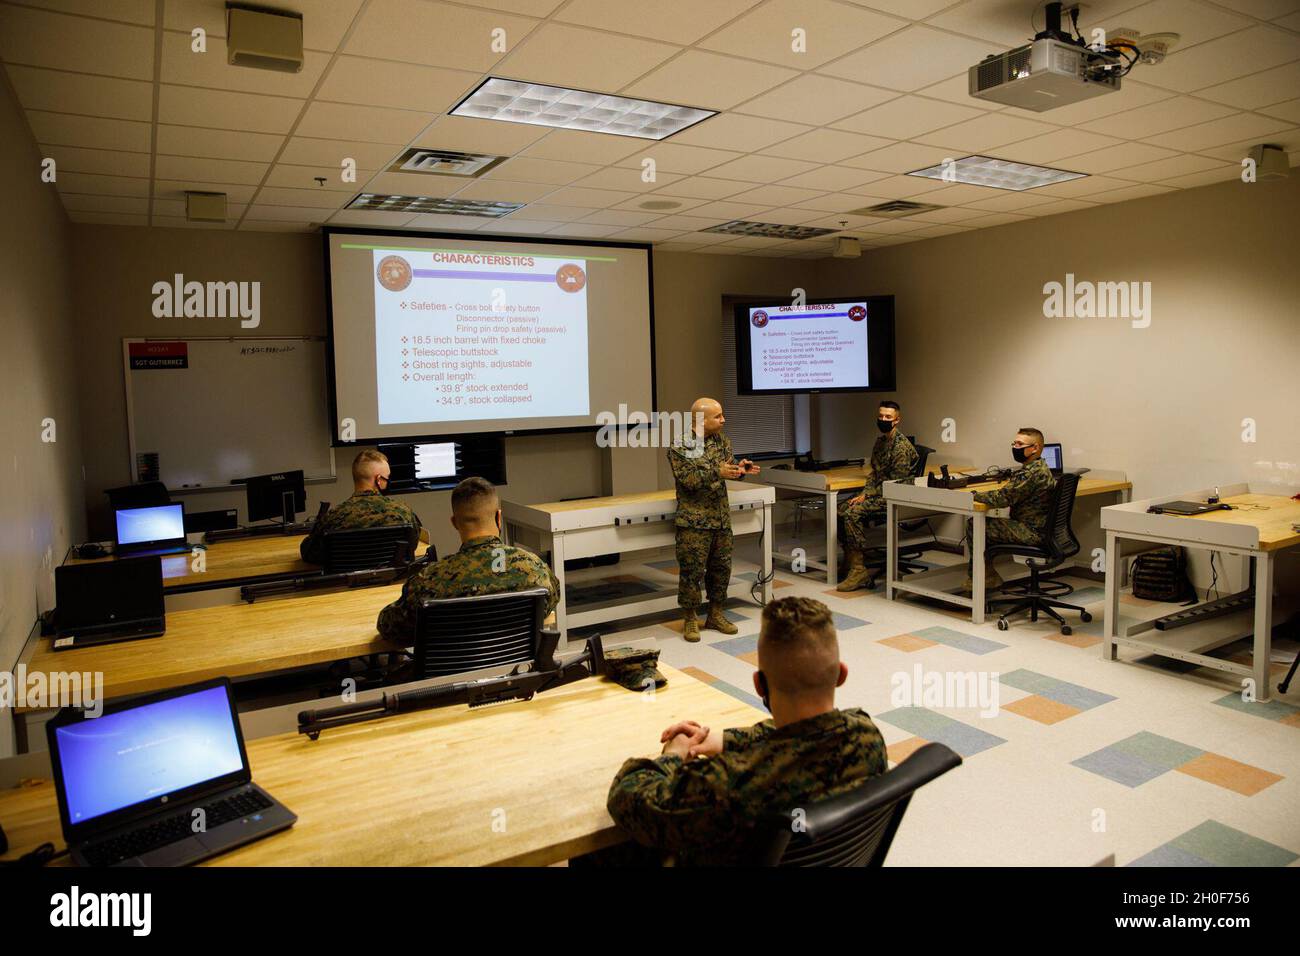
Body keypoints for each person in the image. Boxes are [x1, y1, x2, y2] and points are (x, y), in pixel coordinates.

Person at [604, 597, 887, 866]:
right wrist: (726, 740)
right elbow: (800, 733)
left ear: (759, 685)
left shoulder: (725, 783)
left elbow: (628, 798)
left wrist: (674, 755)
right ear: (841, 674)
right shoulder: (868, 737)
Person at [376, 476, 558, 641]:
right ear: (499, 517)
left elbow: (389, 626)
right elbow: (551, 599)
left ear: (454, 522)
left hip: (451, 675)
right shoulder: (534, 568)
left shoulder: (429, 580)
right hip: (517, 672)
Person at [667, 397, 759, 642]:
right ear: (700, 420)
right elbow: (688, 480)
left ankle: (716, 614)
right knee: (692, 571)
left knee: (721, 568)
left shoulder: (722, 440)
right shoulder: (681, 445)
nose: (723, 420)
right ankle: (690, 619)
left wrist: (740, 470)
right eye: (718, 416)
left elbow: (726, 472)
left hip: (720, 517)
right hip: (694, 521)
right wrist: (716, 471)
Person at [836, 401, 919, 591]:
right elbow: (875, 473)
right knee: (841, 509)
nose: (883, 420)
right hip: (880, 493)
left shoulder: (900, 448)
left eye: (888, 417)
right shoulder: (881, 441)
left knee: (852, 513)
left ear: (897, 420)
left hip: (897, 497)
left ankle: (859, 571)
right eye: (881, 416)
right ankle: (852, 560)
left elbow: (897, 484)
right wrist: (865, 493)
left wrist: (868, 496)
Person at [964, 427, 1056, 592]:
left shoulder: (1030, 474)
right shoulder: (1041, 467)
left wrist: (974, 494)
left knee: (975, 524)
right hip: (1042, 529)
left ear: (1035, 448)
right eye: (1014, 443)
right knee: (986, 524)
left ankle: (983, 578)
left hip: (1031, 531)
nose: (1015, 447)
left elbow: (1001, 498)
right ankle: (987, 573)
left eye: (1020, 444)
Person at [299, 450, 422, 565]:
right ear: (379, 480)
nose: (388, 481)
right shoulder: (403, 511)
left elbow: (310, 554)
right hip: (391, 584)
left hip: (343, 586)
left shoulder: (334, 516)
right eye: (387, 477)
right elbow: (412, 545)